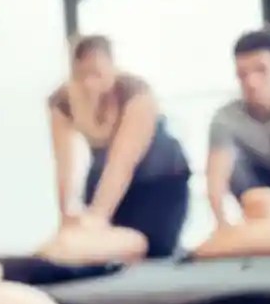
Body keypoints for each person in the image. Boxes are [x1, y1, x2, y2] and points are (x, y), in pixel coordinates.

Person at [47, 36, 191, 258]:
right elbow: (64, 166)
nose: (89, 84)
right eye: (82, 75)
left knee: (151, 250)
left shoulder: (136, 93)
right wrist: (66, 217)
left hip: (160, 179)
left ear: (112, 68)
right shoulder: (62, 101)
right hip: (103, 175)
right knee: (91, 246)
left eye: (96, 74)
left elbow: (122, 164)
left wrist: (97, 218)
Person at [207, 29, 270, 225]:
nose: (252, 83)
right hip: (253, 201)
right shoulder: (226, 118)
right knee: (229, 154)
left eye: (262, 70)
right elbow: (216, 184)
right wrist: (223, 225)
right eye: (243, 74)